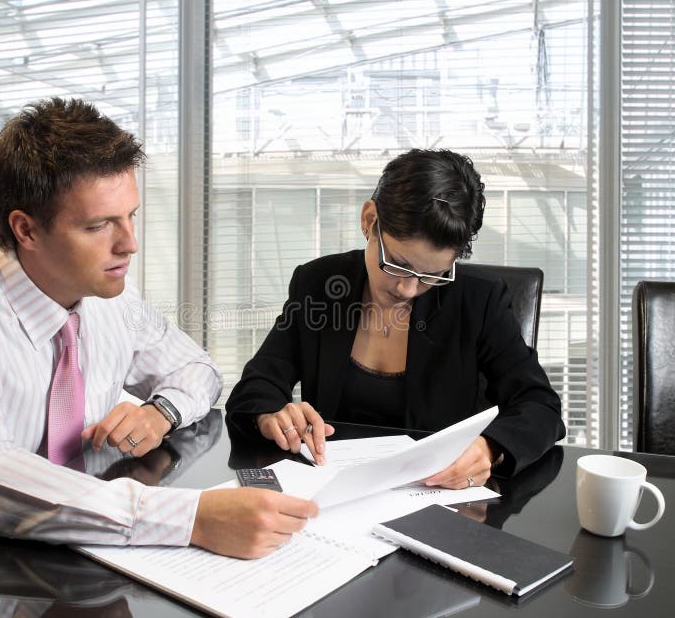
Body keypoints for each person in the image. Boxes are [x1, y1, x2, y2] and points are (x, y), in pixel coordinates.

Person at [0, 98, 317, 575]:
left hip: (65, 550)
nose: (129, 244)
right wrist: (190, 517)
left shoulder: (111, 296)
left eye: (131, 216)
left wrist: (160, 412)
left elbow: (198, 369)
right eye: (99, 225)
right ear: (25, 229)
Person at [225, 149, 565, 488]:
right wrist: (272, 414)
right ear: (369, 220)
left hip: (431, 495)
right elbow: (258, 384)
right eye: (398, 264)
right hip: (331, 491)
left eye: (432, 275)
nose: (407, 288)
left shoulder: (479, 301)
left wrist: (489, 447)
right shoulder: (319, 284)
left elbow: (539, 405)